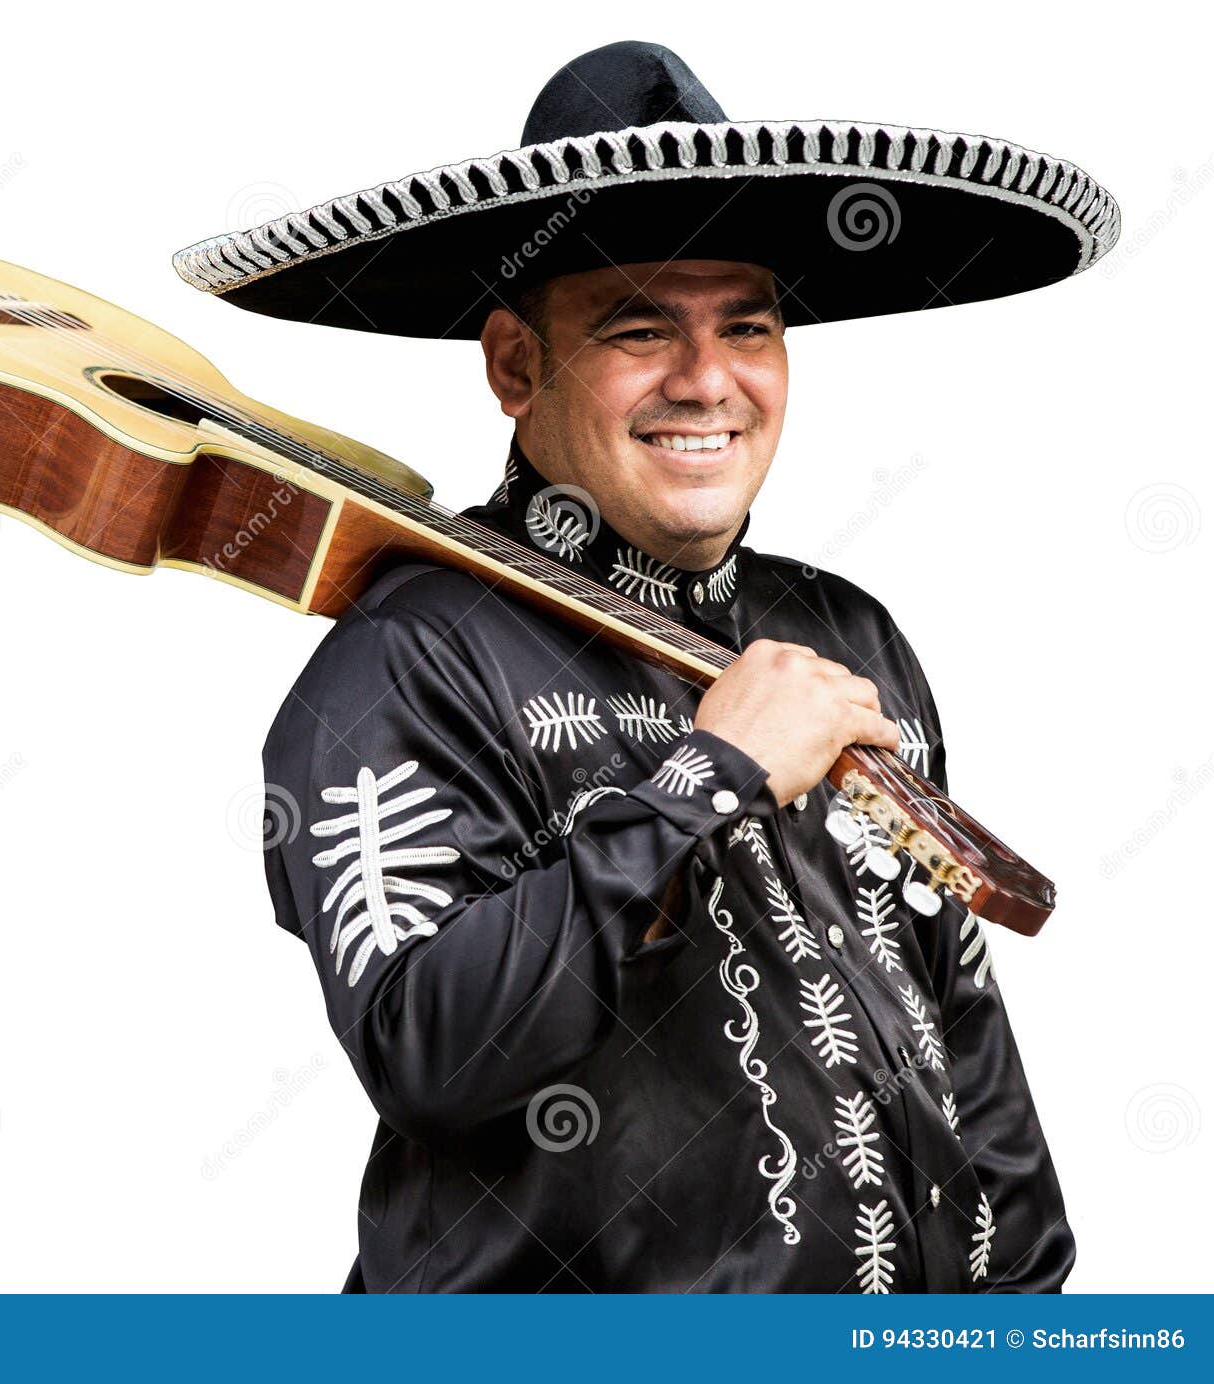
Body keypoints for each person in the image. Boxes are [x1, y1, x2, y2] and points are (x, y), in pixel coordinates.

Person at [174, 41, 1118, 1292]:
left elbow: (954, 1019)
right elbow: (428, 1048)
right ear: (515, 365)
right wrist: (711, 774)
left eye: (748, 327)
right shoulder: (407, 659)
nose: (708, 380)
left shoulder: (845, 631)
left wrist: (1026, 1316)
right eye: (638, 328)